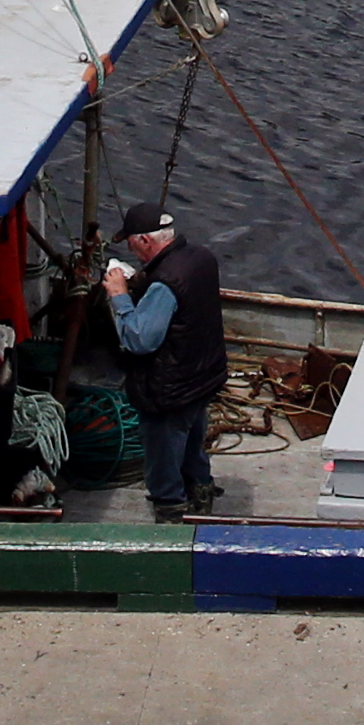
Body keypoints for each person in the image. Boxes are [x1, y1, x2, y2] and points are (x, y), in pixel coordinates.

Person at [100, 202, 228, 520]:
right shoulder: (201, 258)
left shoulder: (164, 284)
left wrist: (119, 296)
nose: (131, 250)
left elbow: (139, 340)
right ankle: (201, 493)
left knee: (162, 456)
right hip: (203, 377)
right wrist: (142, 282)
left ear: (145, 240)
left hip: (170, 389)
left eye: (131, 243)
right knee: (193, 443)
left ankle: (170, 510)